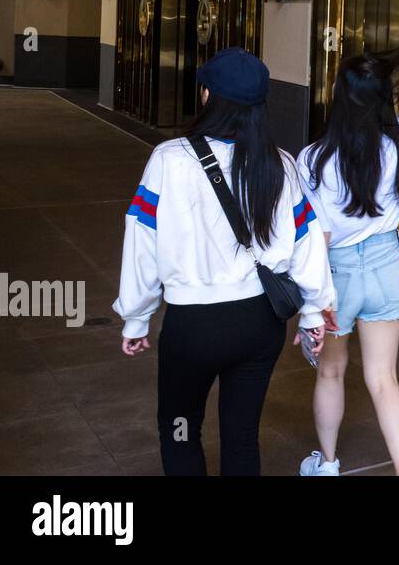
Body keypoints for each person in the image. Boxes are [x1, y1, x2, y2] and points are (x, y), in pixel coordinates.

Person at [113, 47, 336, 476]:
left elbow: (141, 241)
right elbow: (308, 243)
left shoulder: (169, 159)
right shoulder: (281, 164)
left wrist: (136, 317)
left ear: (206, 95)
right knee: (241, 438)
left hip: (192, 328)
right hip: (259, 324)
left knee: (179, 429)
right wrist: (312, 312)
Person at [297, 13, 399, 477]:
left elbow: (315, 237)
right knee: (383, 380)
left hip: (335, 278)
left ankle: (328, 464)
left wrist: (312, 301)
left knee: (331, 372)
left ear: (339, 99)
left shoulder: (313, 160)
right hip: (386, 270)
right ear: (384, 100)